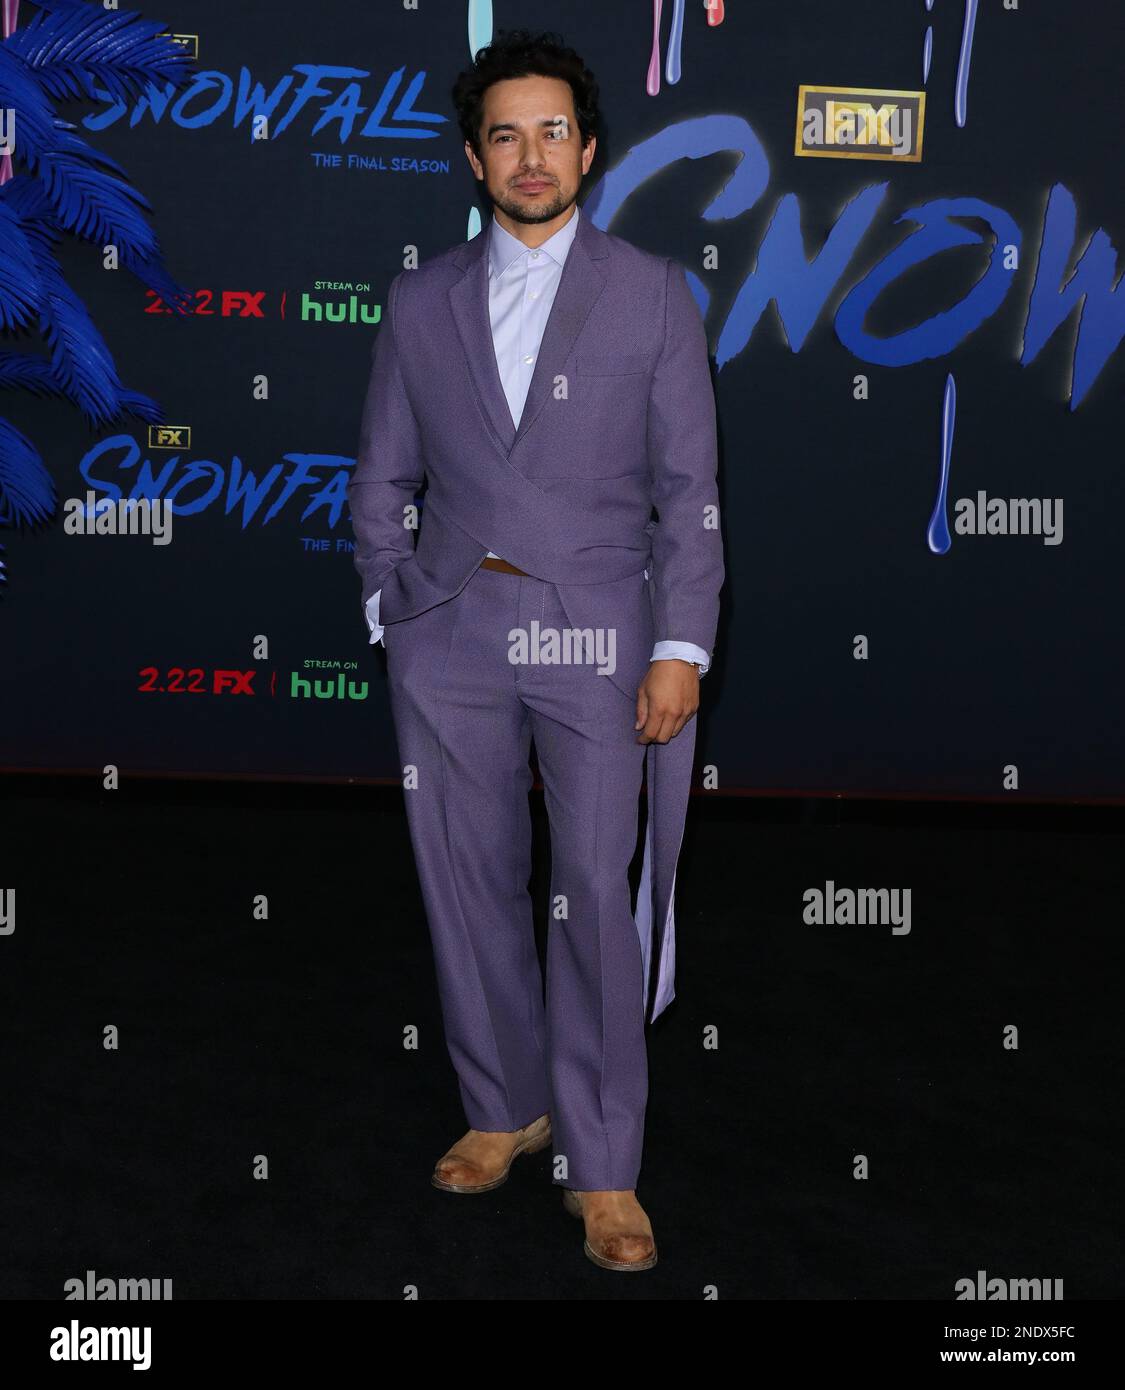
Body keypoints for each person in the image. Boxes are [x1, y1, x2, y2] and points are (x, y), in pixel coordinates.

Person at [347, 28, 723, 1272]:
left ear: (590, 149)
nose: (530, 155)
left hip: (603, 632)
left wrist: (681, 644)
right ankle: (504, 1104)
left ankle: (603, 1166)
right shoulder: (419, 300)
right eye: (504, 134)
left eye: (552, 130)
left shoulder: (652, 293)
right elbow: (381, 475)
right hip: (450, 627)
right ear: (473, 157)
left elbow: (689, 491)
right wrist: (391, 605)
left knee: (595, 897)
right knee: (466, 878)